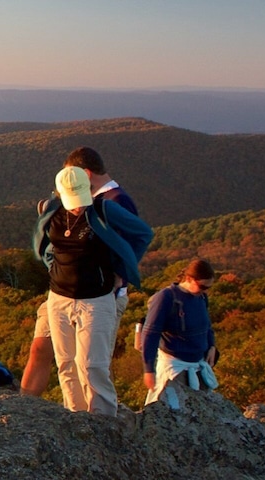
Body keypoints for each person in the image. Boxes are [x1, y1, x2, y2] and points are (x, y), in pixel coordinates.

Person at [32, 165, 154, 416]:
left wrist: (122, 271)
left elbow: (143, 233)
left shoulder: (103, 209)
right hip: (59, 298)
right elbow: (44, 243)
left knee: (91, 365)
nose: (78, 206)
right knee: (66, 364)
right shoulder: (52, 210)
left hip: (96, 300)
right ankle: (76, 418)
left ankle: (103, 422)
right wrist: (52, 266)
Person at [140, 260, 220, 409]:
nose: (206, 291)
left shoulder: (201, 297)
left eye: (209, 287)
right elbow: (150, 333)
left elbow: (207, 325)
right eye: (202, 286)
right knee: (170, 413)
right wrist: (148, 369)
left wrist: (211, 346)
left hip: (198, 366)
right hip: (175, 367)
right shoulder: (166, 297)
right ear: (189, 279)